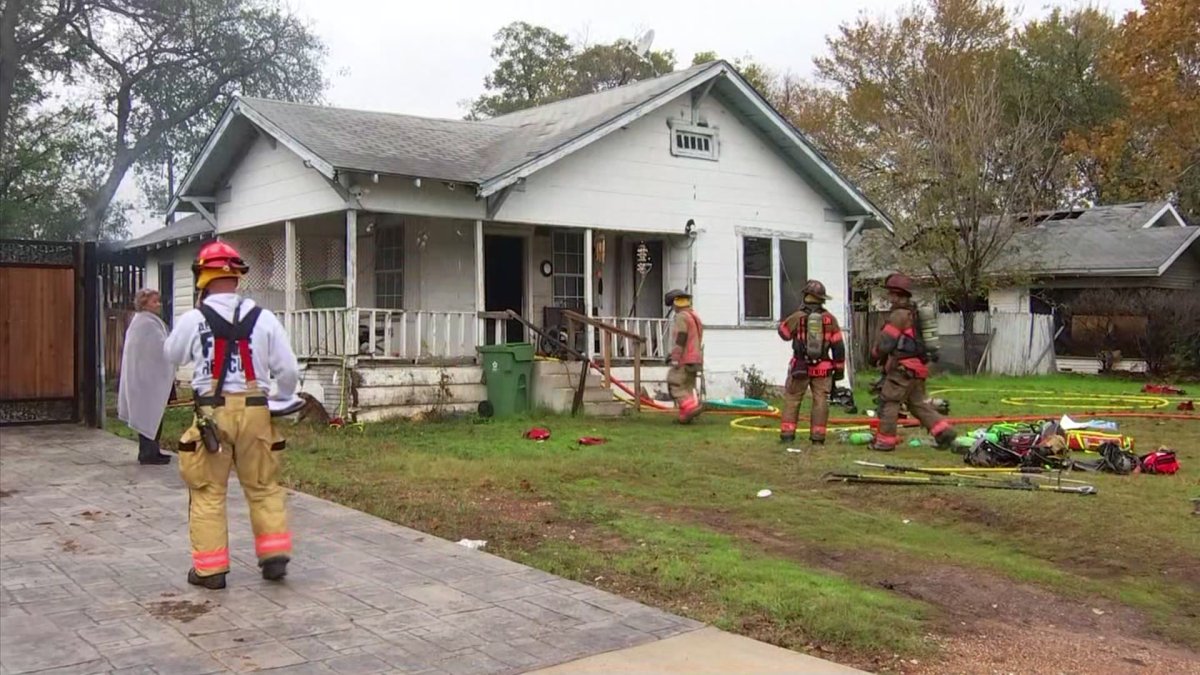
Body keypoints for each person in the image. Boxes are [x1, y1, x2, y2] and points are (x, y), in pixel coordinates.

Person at [164, 240, 302, 590]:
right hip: (257, 413)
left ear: (202, 278)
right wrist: (282, 399)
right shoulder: (264, 318)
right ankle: (274, 557)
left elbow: (173, 356)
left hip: (213, 415)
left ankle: (210, 572)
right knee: (263, 486)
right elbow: (287, 370)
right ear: (237, 277)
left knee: (209, 491)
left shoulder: (193, 319)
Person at [869, 273, 956, 451]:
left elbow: (886, 343)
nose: (889, 298)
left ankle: (884, 442)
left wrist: (874, 355)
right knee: (917, 405)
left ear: (896, 294)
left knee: (889, 402)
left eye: (890, 294)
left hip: (902, 370)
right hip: (918, 369)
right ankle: (943, 431)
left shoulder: (899, 315)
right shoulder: (913, 314)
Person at [777, 280, 845, 444]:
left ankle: (787, 435)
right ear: (822, 299)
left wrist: (784, 323)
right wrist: (839, 370)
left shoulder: (797, 317)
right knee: (821, 401)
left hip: (800, 367)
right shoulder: (830, 319)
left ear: (806, 296)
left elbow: (784, 334)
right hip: (823, 368)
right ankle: (818, 437)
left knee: (793, 399)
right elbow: (838, 347)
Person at [118, 288, 175, 465]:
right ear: (144, 304)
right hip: (145, 379)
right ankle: (147, 453)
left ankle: (153, 450)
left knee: (154, 413)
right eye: (154, 302)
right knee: (147, 413)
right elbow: (159, 347)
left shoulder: (149, 322)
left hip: (151, 377)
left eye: (158, 301)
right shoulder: (144, 324)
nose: (158, 305)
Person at [664, 289, 704, 423]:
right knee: (688, 385)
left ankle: (690, 408)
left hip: (685, 359)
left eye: (672, 305)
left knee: (675, 382)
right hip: (696, 358)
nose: (673, 308)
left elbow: (681, 337)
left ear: (676, 303)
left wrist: (675, 357)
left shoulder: (682, 317)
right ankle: (687, 415)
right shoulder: (694, 316)